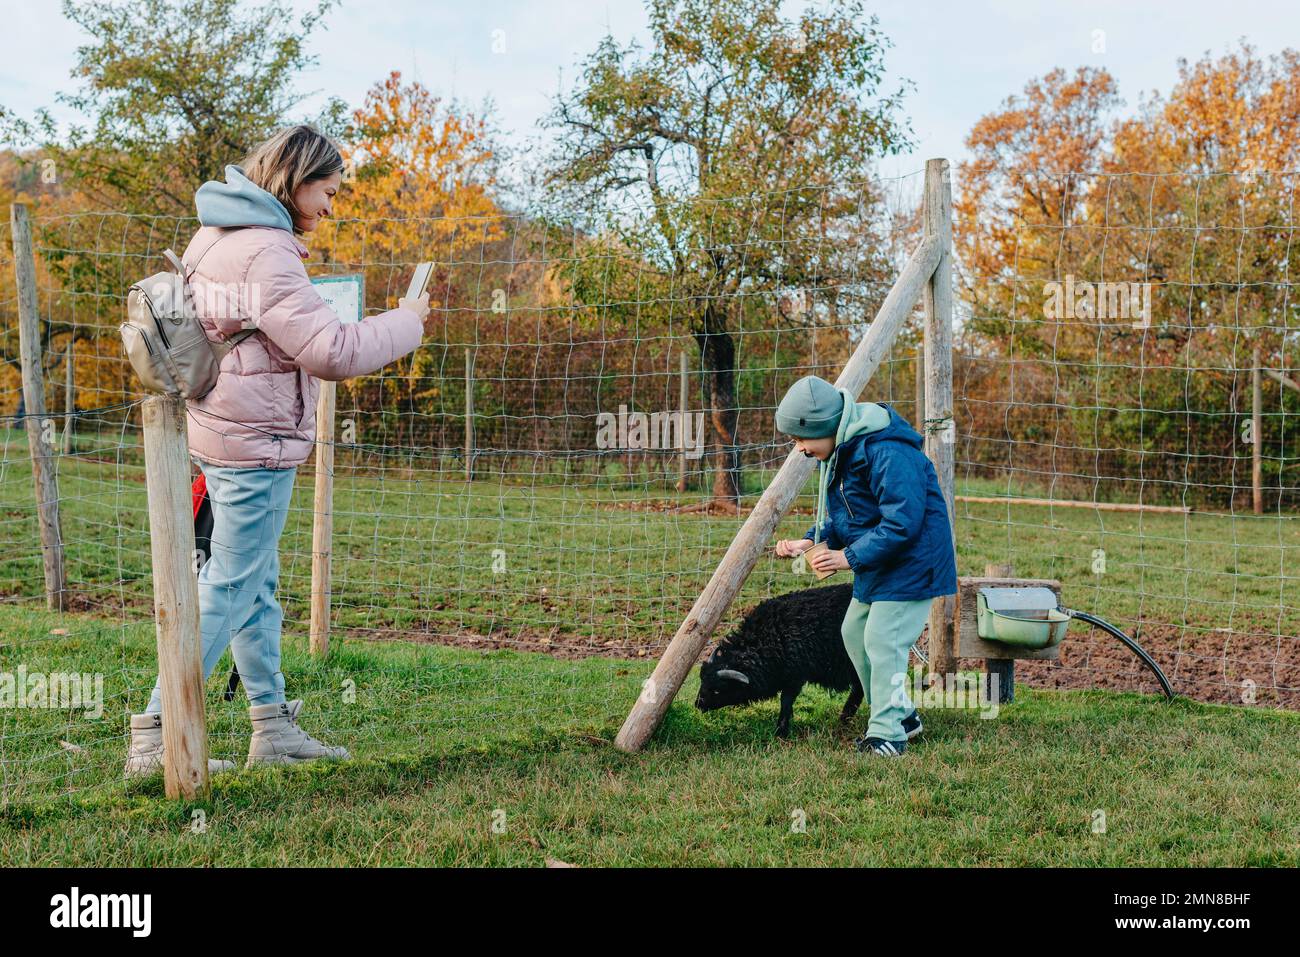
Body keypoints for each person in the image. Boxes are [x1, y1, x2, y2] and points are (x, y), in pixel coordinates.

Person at [126, 124, 433, 775]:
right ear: (296, 180)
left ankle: (271, 728)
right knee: (232, 585)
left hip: (223, 426)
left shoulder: (217, 234)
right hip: (255, 443)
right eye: (329, 189)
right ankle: (156, 731)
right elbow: (333, 351)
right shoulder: (268, 251)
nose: (331, 205)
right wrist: (409, 320)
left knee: (254, 588)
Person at [772, 375, 957, 757]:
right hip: (880, 563)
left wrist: (846, 558)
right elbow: (854, 514)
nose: (800, 449)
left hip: (911, 564)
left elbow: (902, 522)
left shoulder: (887, 451)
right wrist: (811, 539)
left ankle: (888, 734)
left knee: (883, 641)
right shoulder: (845, 449)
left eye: (801, 439)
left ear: (824, 426)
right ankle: (902, 715)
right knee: (855, 632)